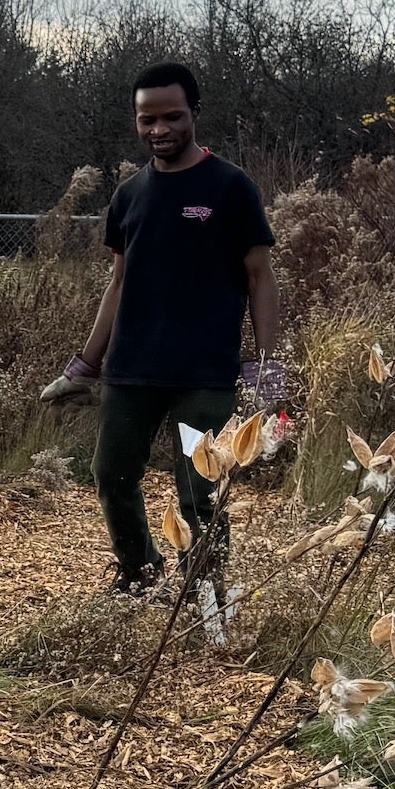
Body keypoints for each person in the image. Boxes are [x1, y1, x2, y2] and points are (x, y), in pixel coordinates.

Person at [44, 61, 284, 596]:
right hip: (132, 370)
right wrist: (84, 367)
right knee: (112, 477)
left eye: (172, 117)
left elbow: (259, 277)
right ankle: (139, 573)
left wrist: (268, 370)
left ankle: (205, 592)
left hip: (205, 374)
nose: (159, 130)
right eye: (146, 119)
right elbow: (118, 284)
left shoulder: (230, 187)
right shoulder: (129, 196)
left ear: (194, 113)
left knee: (199, 489)